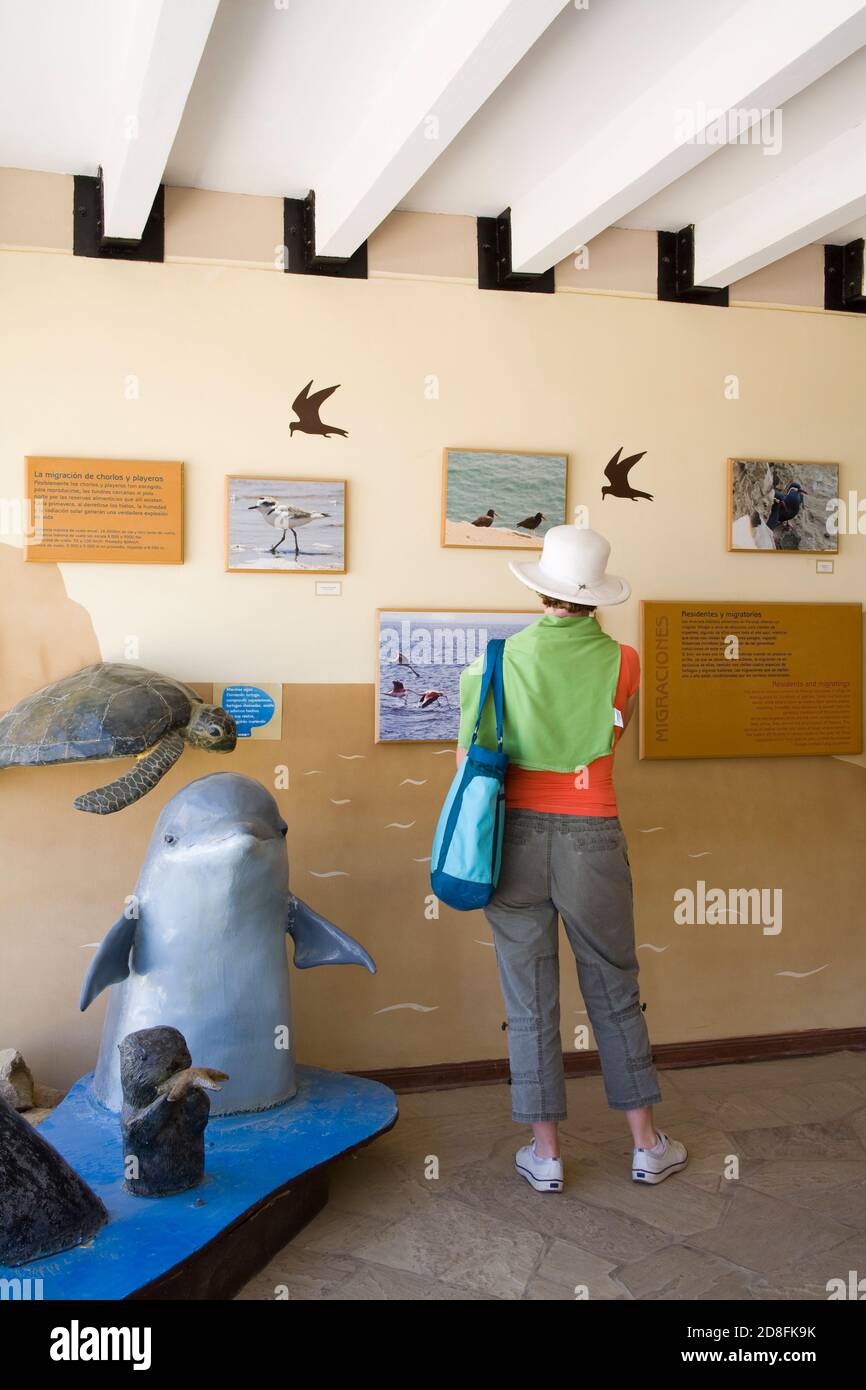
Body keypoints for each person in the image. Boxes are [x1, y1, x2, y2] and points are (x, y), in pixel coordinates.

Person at [456, 526, 687, 1193]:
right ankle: (647, 1145)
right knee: (615, 989)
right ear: (596, 598)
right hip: (593, 835)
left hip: (513, 840)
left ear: (540, 589)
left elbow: (472, 754)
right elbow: (607, 734)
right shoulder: (627, 661)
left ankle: (546, 1153)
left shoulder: (491, 663)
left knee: (527, 1001)